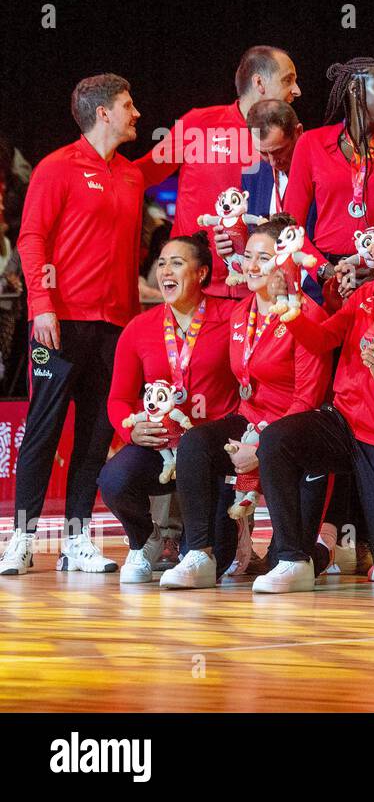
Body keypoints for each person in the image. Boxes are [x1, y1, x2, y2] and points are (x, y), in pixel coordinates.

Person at [3, 74, 170, 576]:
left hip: (115, 325)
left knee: (97, 436)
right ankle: (21, 539)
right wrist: (42, 305)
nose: (137, 113)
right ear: (103, 113)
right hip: (60, 324)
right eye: (128, 104)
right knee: (43, 429)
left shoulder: (131, 174)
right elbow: (31, 238)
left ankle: (77, 540)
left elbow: (176, 154)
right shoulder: (56, 168)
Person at [247, 212, 374, 591]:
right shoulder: (365, 296)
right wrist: (287, 307)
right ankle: (293, 558)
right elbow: (323, 340)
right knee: (277, 440)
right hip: (343, 423)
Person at [160, 215, 332, 589]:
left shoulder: (307, 315)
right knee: (195, 444)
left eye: (263, 258)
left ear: (286, 261)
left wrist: (260, 444)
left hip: (293, 430)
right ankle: (199, 554)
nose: (250, 265)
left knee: (277, 449)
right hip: (251, 421)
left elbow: (307, 399)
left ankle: (302, 556)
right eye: (248, 256)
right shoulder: (242, 313)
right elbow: (243, 387)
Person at [98, 235, 240, 582]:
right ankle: (144, 539)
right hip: (161, 447)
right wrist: (130, 429)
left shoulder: (233, 316)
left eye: (177, 262)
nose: (165, 270)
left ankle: (200, 545)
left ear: (203, 272)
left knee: (215, 560)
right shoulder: (139, 328)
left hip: (212, 453)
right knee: (114, 479)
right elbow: (118, 399)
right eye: (161, 263)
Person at [136, 46, 300, 298]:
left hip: (258, 287)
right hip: (195, 285)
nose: (296, 90)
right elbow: (139, 176)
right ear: (259, 82)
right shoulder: (198, 125)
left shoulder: (286, 139)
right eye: (288, 80)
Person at [284, 57, 374, 287]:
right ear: (354, 88)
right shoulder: (311, 143)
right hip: (325, 278)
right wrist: (326, 271)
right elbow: (291, 224)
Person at [243, 99, 303, 217]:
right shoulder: (251, 178)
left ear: (298, 132)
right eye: (263, 153)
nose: (272, 162)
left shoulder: (323, 173)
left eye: (279, 151)